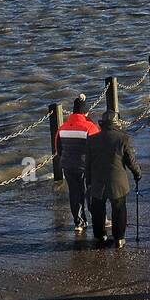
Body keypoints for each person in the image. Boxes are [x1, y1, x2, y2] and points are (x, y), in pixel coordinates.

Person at [85, 110, 142, 248]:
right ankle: (119, 239)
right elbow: (130, 161)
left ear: (103, 124)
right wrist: (137, 173)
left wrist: (89, 182)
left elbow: (88, 164)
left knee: (98, 210)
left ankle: (100, 236)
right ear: (117, 123)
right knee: (119, 210)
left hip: (98, 182)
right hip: (118, 183)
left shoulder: (92, 139)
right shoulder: (123, 139)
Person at [54, 94, 99, 233]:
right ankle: (98, 220)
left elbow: (58, 148)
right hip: (86, 166)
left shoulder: (62, 128)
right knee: (90, 192)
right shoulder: (90, 127)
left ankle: (79, 223)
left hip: (67, 165)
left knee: (74, 193)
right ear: (86, 112)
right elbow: (97, 147)